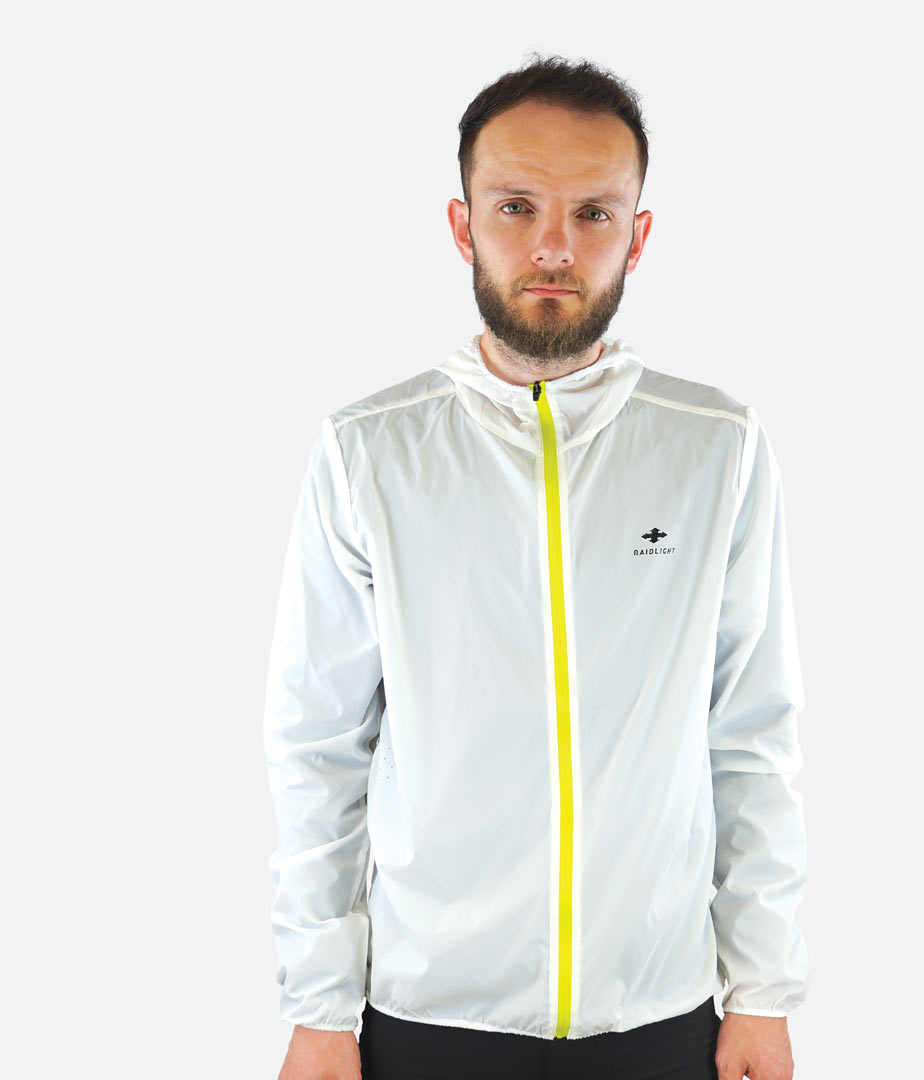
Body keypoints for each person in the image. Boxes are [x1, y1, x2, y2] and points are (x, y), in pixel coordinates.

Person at [263, 52, 809, 1080]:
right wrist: (318, 1008)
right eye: (516, 207)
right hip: (429, 1015)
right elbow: (319, 746)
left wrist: (762, 992)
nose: (553, 246)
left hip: (660, 1012)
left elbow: (751, 735)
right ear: (462, 224)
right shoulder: (368, 451)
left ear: (637, 236)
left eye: (593, 214)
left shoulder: (715, 446)